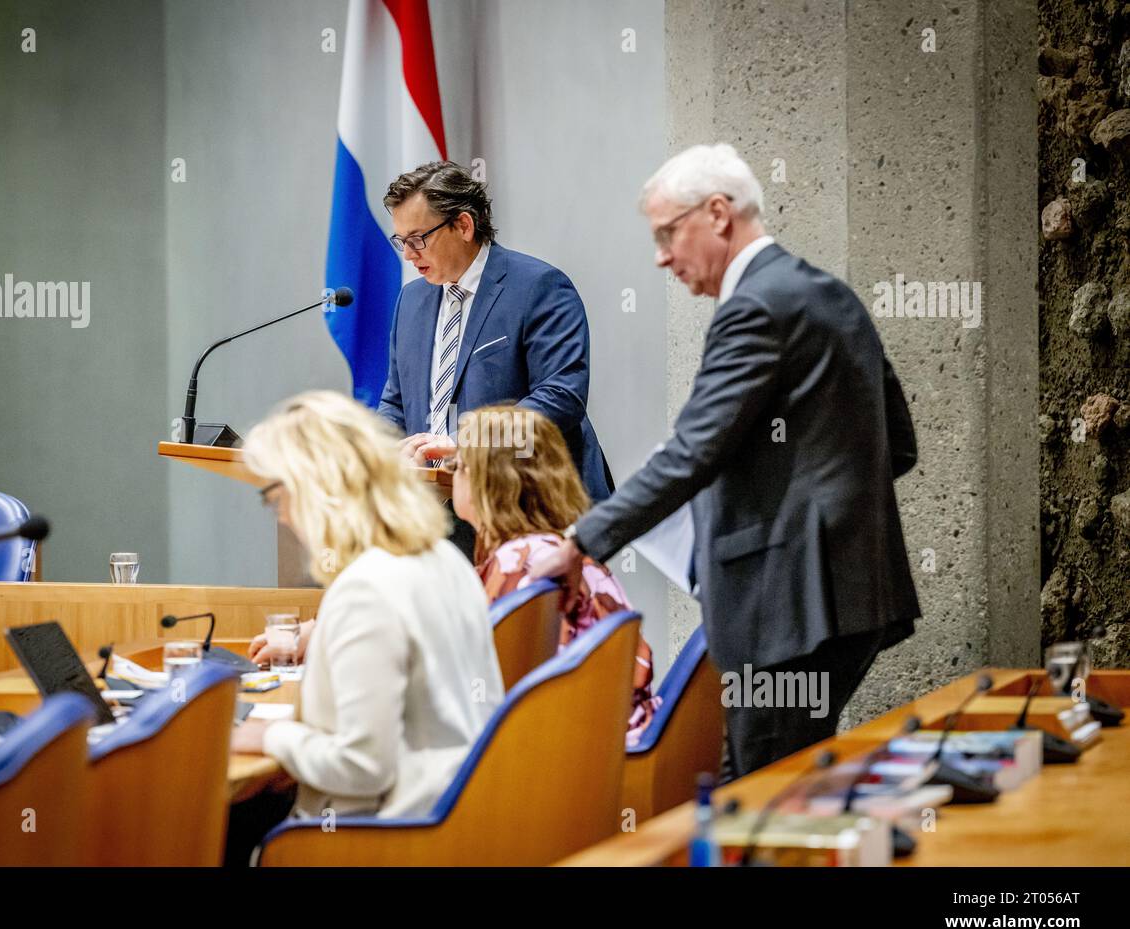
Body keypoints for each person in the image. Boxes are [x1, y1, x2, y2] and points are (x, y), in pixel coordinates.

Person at [530, 143, 922, 780]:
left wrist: (581, 541)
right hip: (852, 598)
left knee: (762, 795)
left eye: (666, 233)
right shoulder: (826, 292)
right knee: (790, 782)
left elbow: (692, 453)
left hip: (789, 605)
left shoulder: (755, 307)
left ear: (718, 213)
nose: (661, 257)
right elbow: (897, 445)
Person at [227, 390, 503, 863]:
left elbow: (362, 766)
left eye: (276, 497)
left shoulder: (366, 588)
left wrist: (269, 737)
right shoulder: (445, 559)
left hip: (384, 839)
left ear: (312, 491)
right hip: (460, 824)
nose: (284, 516)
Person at [376, 160, 613, 555]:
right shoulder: (411, 300)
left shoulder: (538, 286)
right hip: (439, 517)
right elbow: (396, 402)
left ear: (464, 226)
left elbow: (560, 398)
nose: (408, 255)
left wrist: (468, 447)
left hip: (529, 511)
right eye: (401, 241)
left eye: (418, 239)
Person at [447, 404, 659, 745]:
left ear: (489, 481)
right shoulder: (561, 552)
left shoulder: (519, 563)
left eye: (457, 466)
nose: (450, 475)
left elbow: (486, 692)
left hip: (572, 753)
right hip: (616, 743)